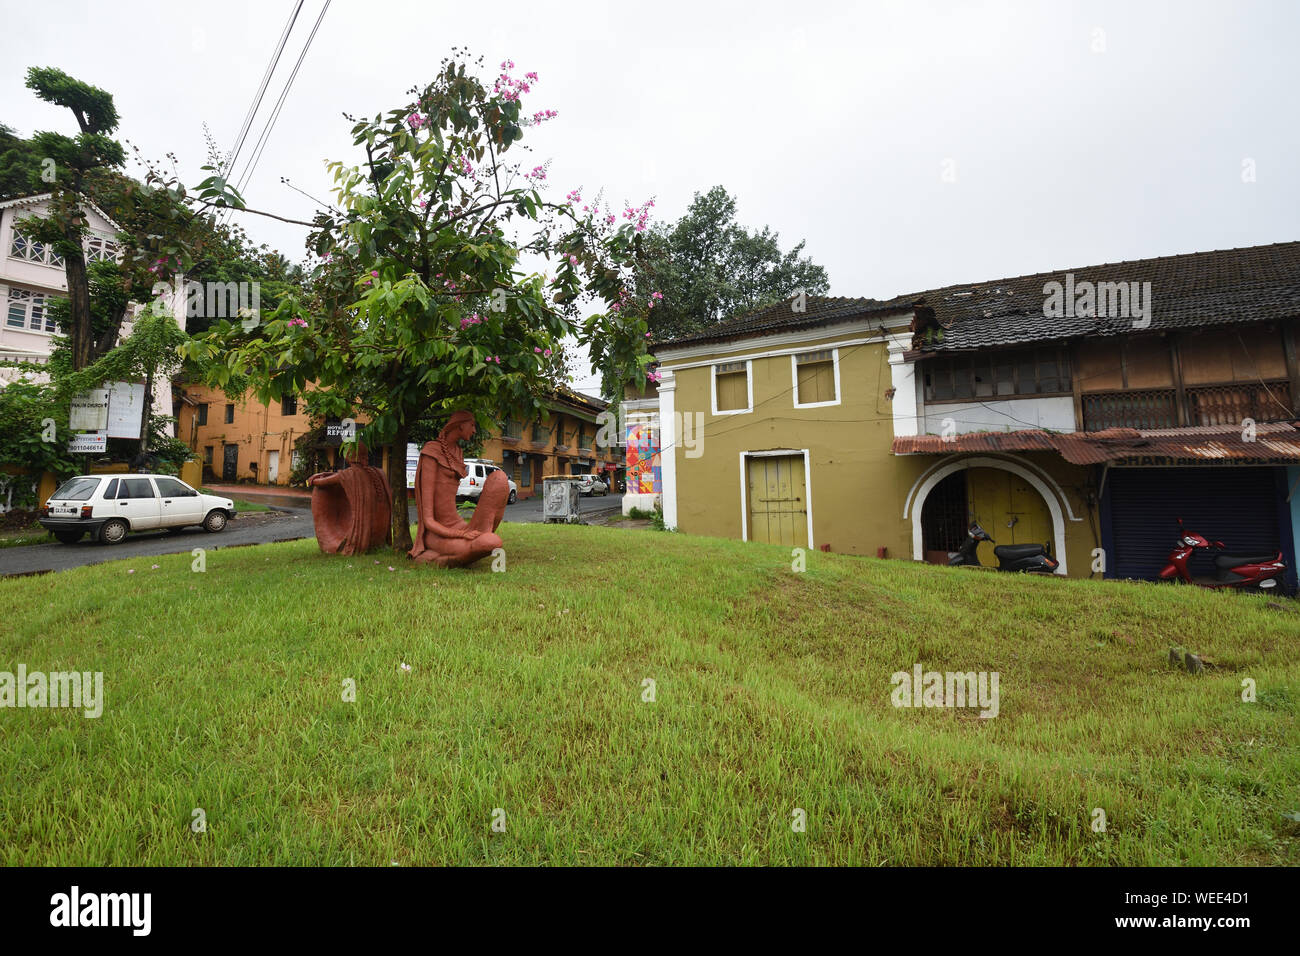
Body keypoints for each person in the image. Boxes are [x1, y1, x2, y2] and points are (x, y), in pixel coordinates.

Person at [409, 411, 507, 567]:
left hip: (458, 525)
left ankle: (451, 554)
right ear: (460, 425)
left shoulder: (458, 453)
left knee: (500, 479)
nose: (474, 431)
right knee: (489, 543)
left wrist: (464, 530)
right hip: (435, 533)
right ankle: (436, 558)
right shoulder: (432, 451)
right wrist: (461, 534)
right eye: (472, 425)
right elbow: (428, 521)